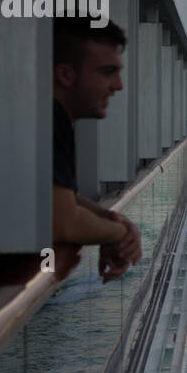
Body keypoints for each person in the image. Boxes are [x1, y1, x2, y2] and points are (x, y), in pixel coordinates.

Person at [52, 20, 142, 282]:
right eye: (107, 72)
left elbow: (57, 198)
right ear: (66, 74)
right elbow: (64, 221)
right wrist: (118, 234)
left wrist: (108, 217)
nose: (118, 85)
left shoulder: (47, 116)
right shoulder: (48, 118)